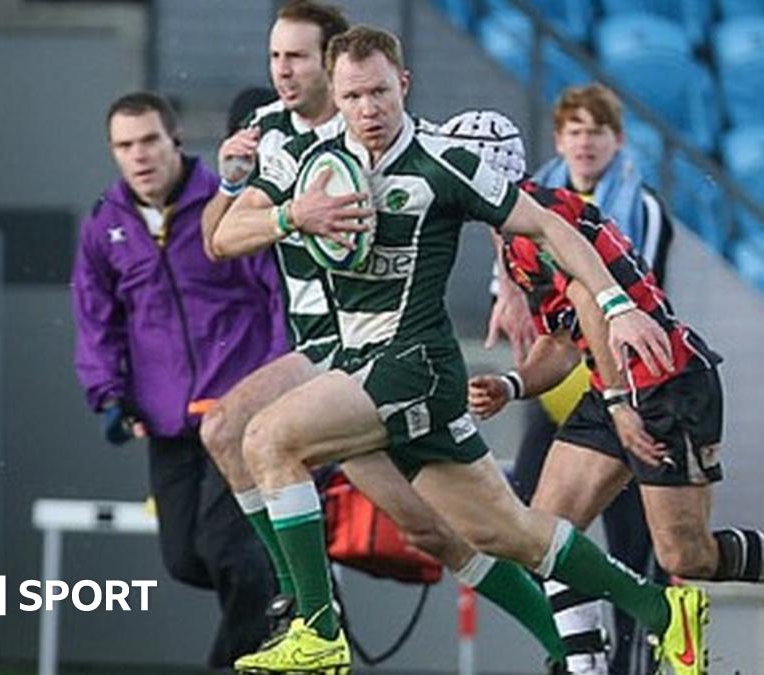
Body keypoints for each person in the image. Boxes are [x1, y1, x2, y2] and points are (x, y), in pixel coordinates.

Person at [229, 25, 708, 675]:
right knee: (505, 531)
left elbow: (545, 224)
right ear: (333, 96)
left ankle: (315, 628)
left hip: (412, 365)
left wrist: (615, 304)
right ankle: (659, 610)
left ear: (404, 85)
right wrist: (276, 206)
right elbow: (227, 234)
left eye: (378, 92)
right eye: (352, 96)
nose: (367, 109)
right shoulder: (320, 164)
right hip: (361, 365)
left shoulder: (443, 161)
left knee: (266, 438)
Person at [197, 3, 570, 670]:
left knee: (437, 530)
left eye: (298, 58)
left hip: (379, 353)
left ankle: (564, 647)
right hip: (322, 346)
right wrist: (257, 196)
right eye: (275, 57)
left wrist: (507, 282)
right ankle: (302, 605)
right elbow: (218, 240)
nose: (283, 71)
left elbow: (466, 193)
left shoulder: (389, 124)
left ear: (336, 64)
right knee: (228, 429)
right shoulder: (270, 134)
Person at [440, 110, 764, 675]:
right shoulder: (518, 223)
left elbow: (590, 303)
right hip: (615, 382)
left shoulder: (531, 226)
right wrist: (512, 382)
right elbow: (565, 337)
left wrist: (621, 405)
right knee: (543, 532)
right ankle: (584, 664)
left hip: (665, 383)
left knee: (686, 555)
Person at [70, 91, 285, 667]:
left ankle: (238, 661)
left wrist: (275, 385)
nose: (138, 156)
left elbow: (276, 297)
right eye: (124, 145)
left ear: (175, 142)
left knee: (229, 550)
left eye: (148, 141)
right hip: (165, 419)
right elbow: (96, 315)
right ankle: (296, 600)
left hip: (236, 413)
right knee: (185, 560)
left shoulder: (226, 201)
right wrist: (108, 392)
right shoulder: (105, 222)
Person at [514, 85, 676, 674]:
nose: (585, 141)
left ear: (618, 140)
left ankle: (637, 658)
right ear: (558, 141)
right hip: (558, 397)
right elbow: (519, 278)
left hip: (625, 393)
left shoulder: (643, 208)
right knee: (534, 536)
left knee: (635, 548)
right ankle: (574, 654)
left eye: (596, 130)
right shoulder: (526, 206)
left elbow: (635, 297)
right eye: (574, 131)